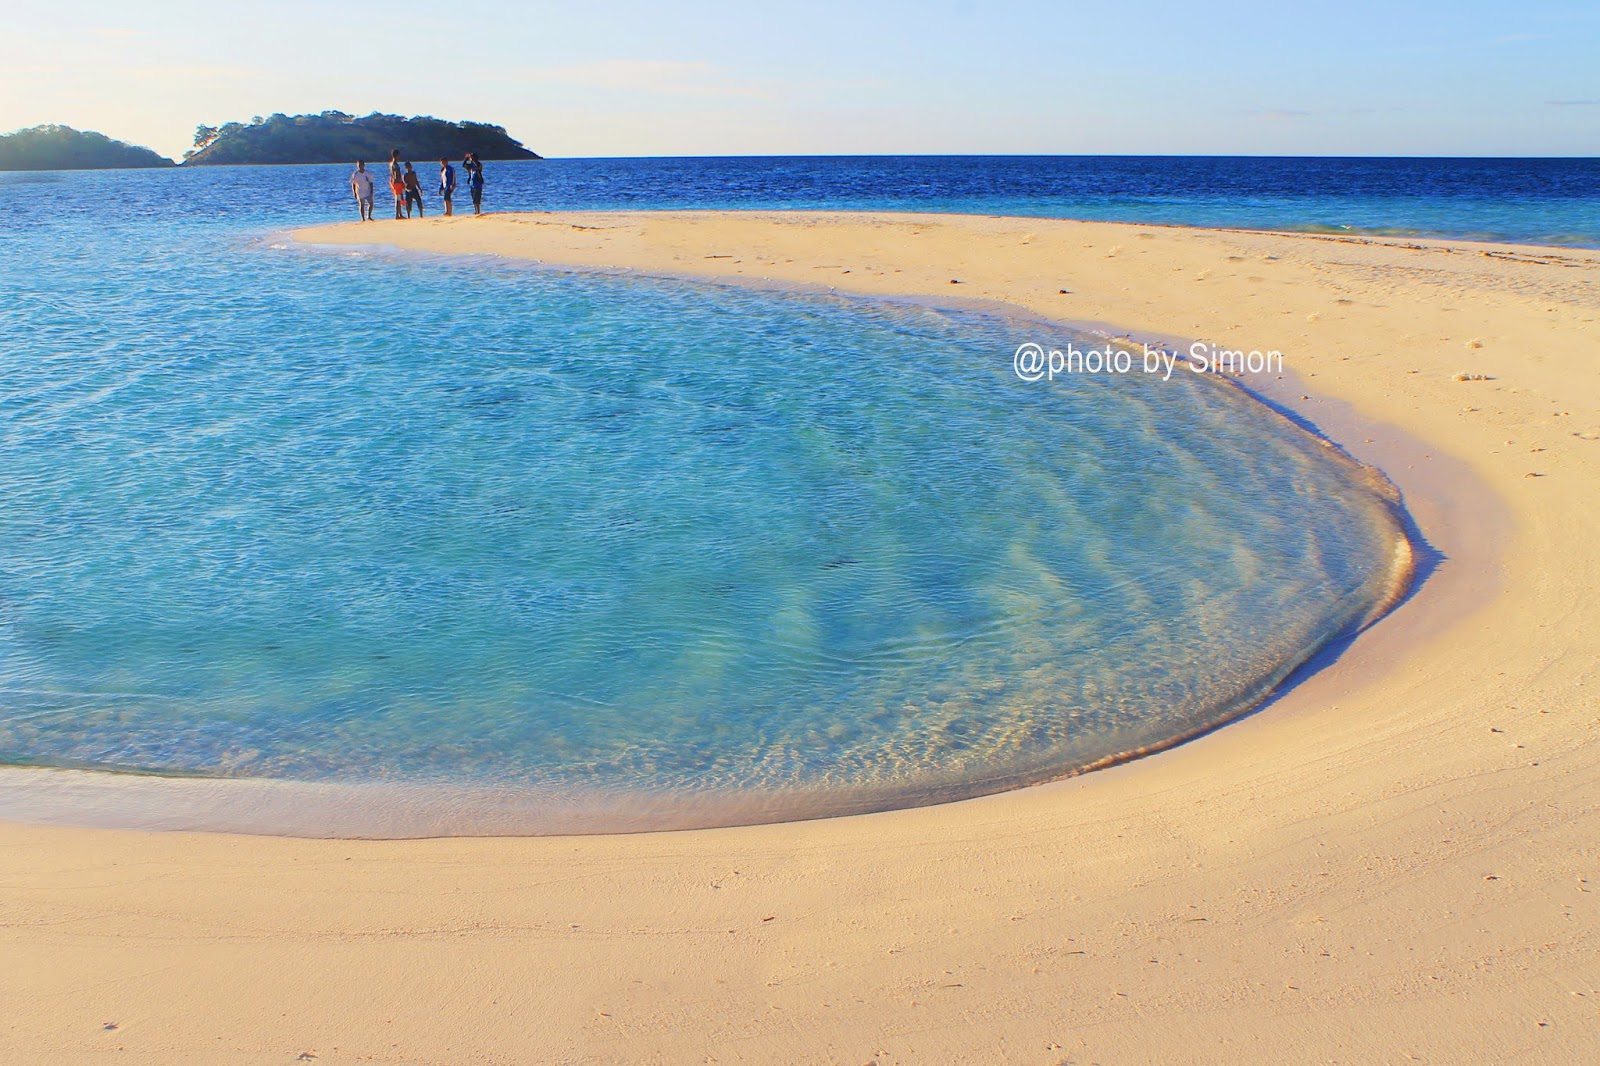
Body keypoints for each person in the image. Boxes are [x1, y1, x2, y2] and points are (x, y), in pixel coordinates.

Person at [387, 149, 405, 220]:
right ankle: (397, 215)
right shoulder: (395, 164)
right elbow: (397, 174)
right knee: (398, 199)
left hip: (393, 182)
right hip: (397, 182)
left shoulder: (391, 163)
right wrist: (401, 182)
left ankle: (399, 214)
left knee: (399, 198)